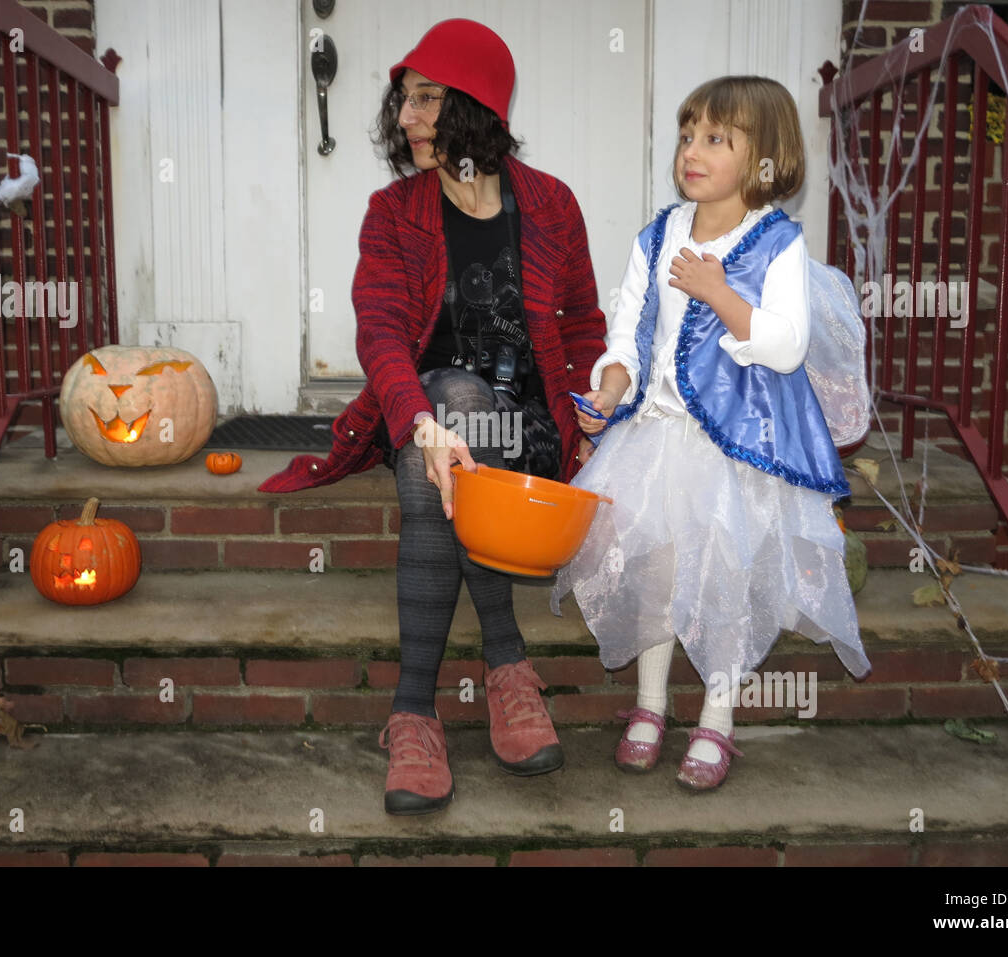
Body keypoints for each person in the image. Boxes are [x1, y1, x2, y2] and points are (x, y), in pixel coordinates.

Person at [260, 19, 606, 814]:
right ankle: (495, 674)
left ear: (476, 109)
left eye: (426, 100)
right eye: (404, 101)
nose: (406, 117)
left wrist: (595, 403)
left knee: (459, 444)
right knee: (444, 437)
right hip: (428, 415)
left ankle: (416, 710)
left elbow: (583, 322)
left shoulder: (551, 205)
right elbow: (381, 331)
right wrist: (419, 419)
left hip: (530, 423)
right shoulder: (394, 212)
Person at [551, 76, 871, 790]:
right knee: (659, 569)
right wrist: (608, 389)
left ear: (765, 158)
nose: (692, 151)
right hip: (657, 438)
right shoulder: (659, 235)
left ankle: (717, 719)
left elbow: (785, 345)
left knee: (723, 577)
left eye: (716, 139)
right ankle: (651, 704)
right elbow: (629, 333)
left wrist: (720, 292)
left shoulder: (777, 243)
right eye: (687, 135)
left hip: (737, 447)